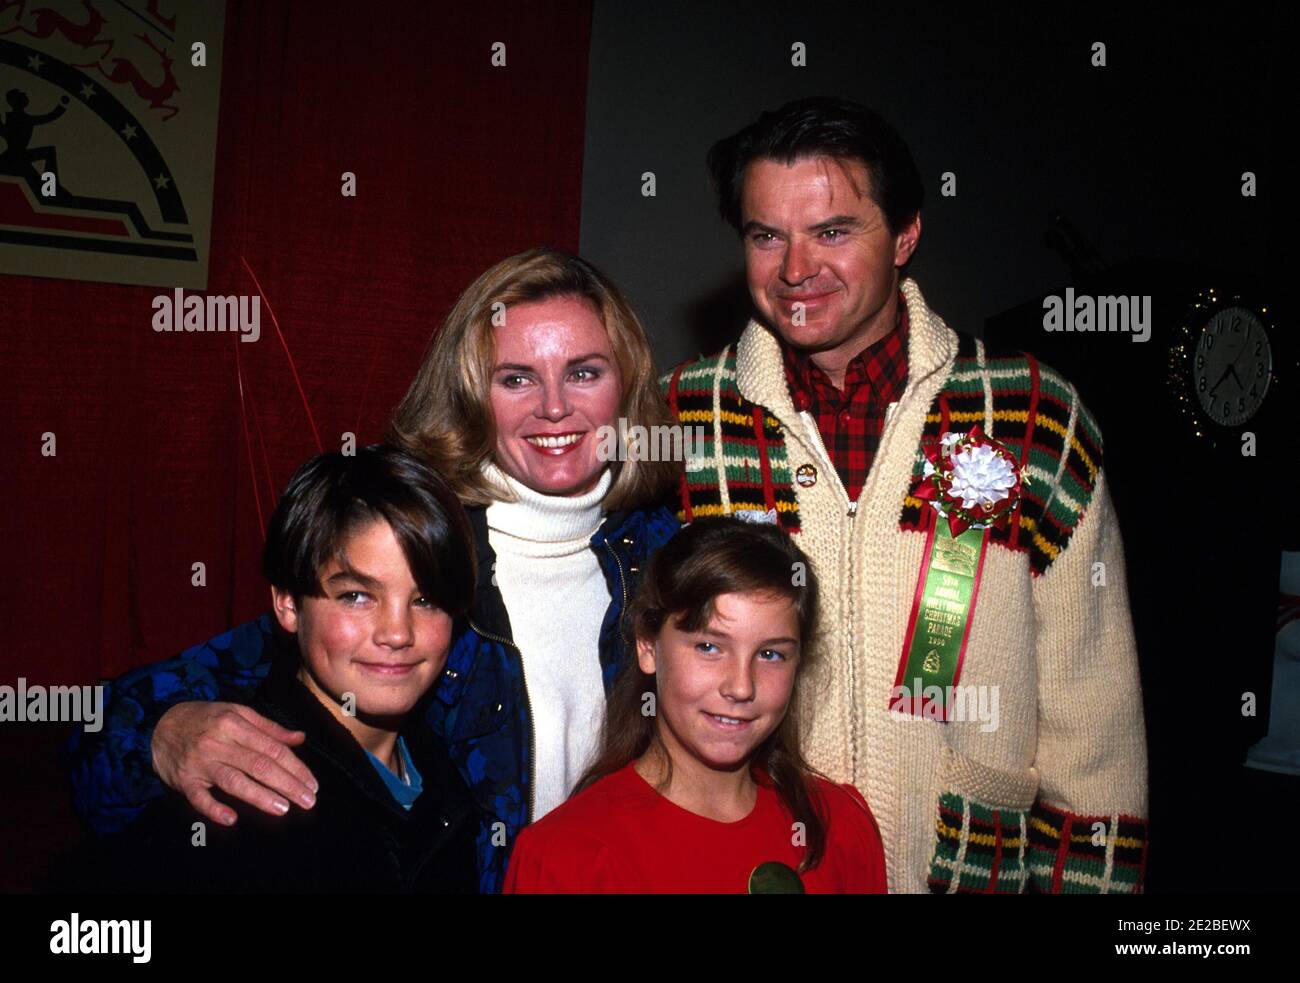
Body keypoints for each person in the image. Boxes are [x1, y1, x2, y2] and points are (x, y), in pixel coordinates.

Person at [61, 248, 681, 893]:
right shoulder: (416, 536)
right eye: (516, 378)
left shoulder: (665, 555)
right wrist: (166, 732)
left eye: (583, 372)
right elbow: (100, 729)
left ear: (627, 386)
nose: (554, 408)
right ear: (472, 392)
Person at [661, 98, 1148, 893]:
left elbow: (1093, 718)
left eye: (833, 231)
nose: (794, 269)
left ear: (908, 234)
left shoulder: (1033, 418)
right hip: (750, 871)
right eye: (765, 236)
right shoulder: (680, 420)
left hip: (968, 871)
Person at [52, 445, 479, 892]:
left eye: (425, 599)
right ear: (288, 604)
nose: (397, 633)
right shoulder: (231, 798)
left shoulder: (450, 768)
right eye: (356, 596)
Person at [504, 518, 887, 893]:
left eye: (770, 654)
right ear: (648, 646)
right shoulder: (566, 858)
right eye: (709, 647)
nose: (741, 686)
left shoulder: (838, 827)